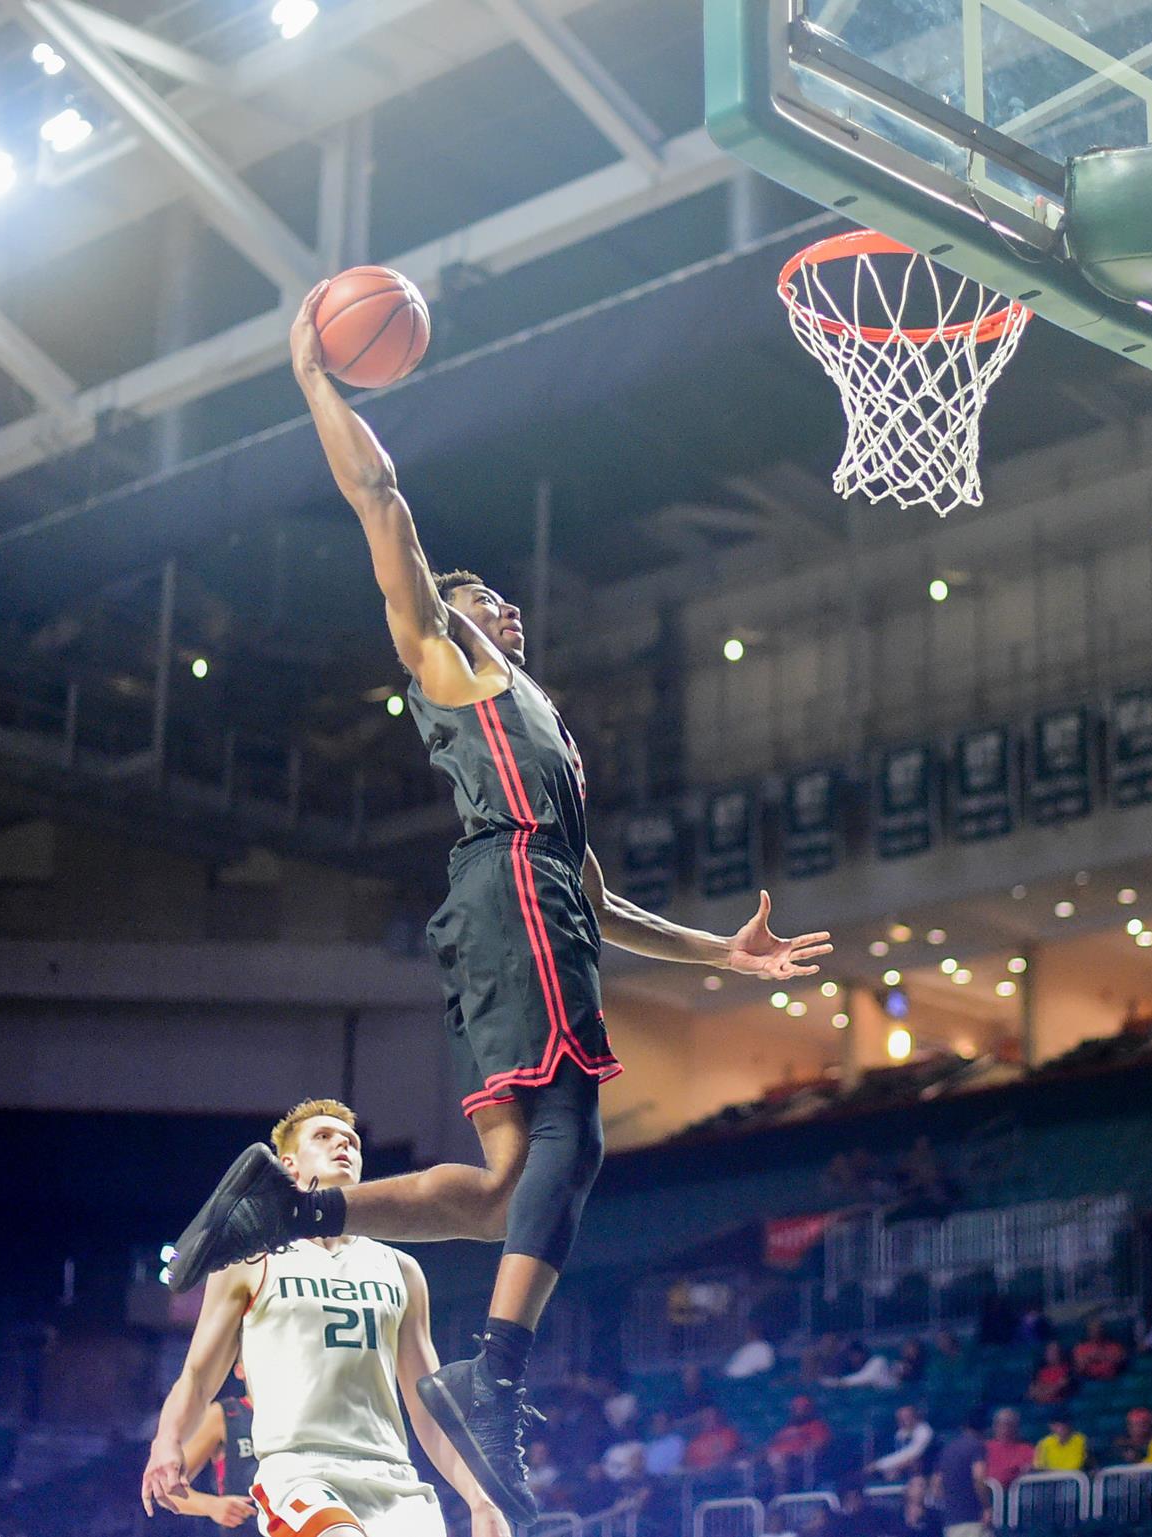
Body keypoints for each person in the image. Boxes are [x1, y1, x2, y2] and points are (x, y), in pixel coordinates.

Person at [162, 287, 833, 1524]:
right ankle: (494, 1373)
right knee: (573, 1143)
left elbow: (589, 890)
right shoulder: (449, 662)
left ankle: (295, 1209)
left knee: (500, 1190)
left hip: (535, 903)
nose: (504, 609)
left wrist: (716, 956)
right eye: (481, 599)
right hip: (506, 890)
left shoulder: (543, 727)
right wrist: (320, 385)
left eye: (502, 606)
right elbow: (383, 505)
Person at [140, 1099, 511, 1537]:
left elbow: (429, 1404)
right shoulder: (250, 1260)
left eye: (351, 1140)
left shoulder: (401, 1269)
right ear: (287, 1165)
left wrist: (481, 1499)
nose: (343, 1144)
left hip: (393, 1478)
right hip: (300, 1472)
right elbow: (198, 1375)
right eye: (324, 1136)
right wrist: (167, 1440)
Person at [167, 1364, 260, 1529]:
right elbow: (169, 1487)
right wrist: (210, 1505)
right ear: (241, 1370)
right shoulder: (223, 1415)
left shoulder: (303, 1416)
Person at [930, 1411, 989, 1537]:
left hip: (951, 1522)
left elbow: (936, 1485)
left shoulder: (947, 1449)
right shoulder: (976, 1446)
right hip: (973, 1520)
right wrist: (986, 1507)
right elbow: (978, 1477)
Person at [763, 1397, 831, 1494]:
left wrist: (794, 1454)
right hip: (774, 1463)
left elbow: (819, 1445)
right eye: (796, 1408)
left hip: (799, 1462)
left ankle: (780, 1492)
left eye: (802, 1408)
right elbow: (771, 1447)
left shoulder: (817, 1426)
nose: (799, 1411)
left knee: (779, 1461)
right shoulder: (785, 1429)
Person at [868, 1406, 933, 1481]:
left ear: (915, 1417)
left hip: (925, 1473)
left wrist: (879, 1465)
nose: (904, 1421)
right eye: (901, 1418)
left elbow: (912, 1454)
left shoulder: (924, 1431)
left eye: (907, 1417)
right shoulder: (900, 1434)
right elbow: (897, 1454)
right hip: (902, 1471)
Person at [982, 1409, 1032, 1487]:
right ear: (994, 1426)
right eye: (1000, 1424)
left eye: (1010, 1425)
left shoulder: (1027, 1450)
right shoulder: (984, 1448)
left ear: (1017, 1427)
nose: (1005, 1429)